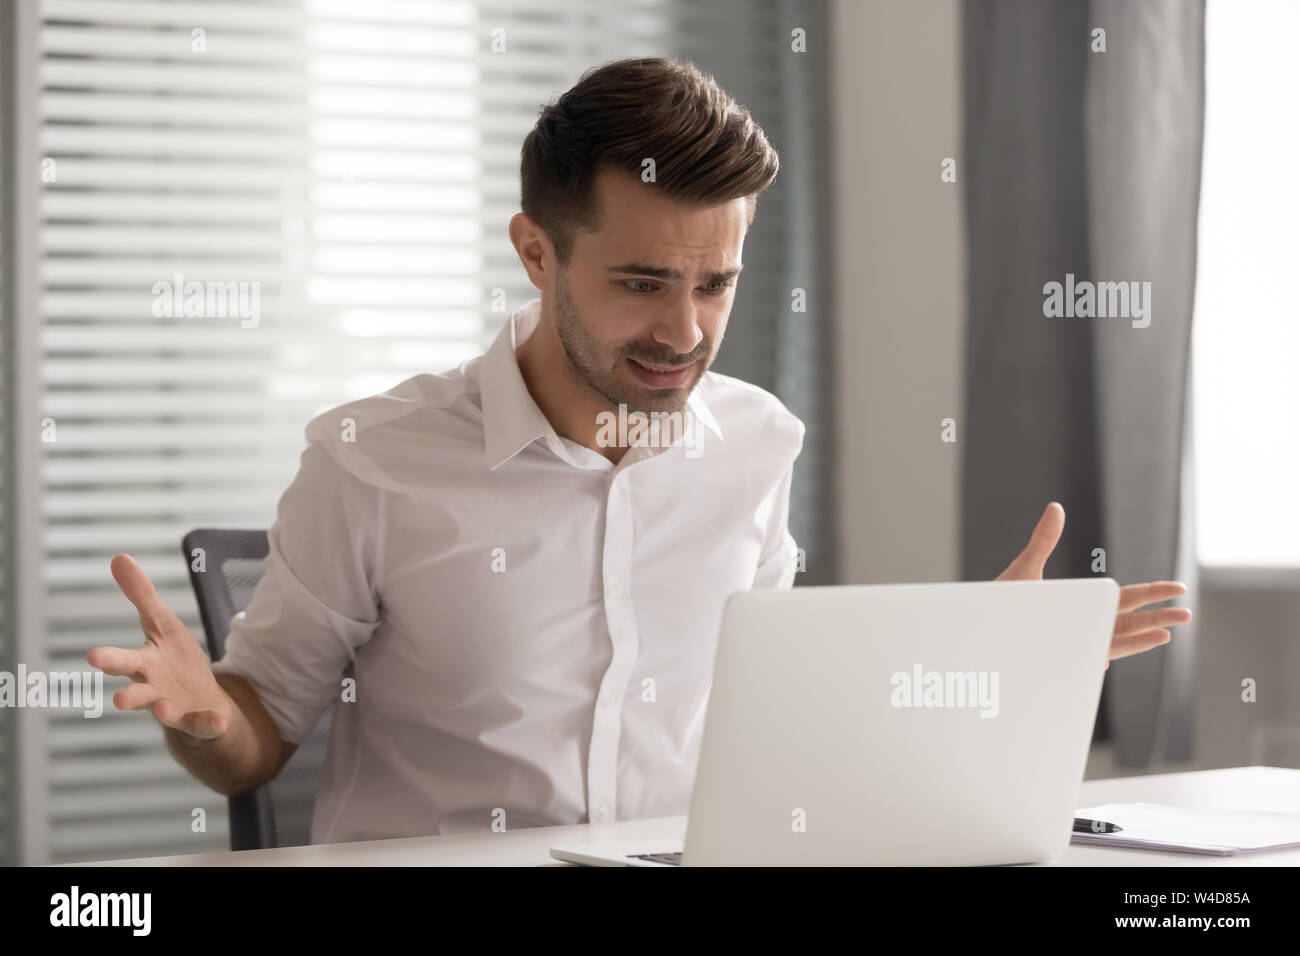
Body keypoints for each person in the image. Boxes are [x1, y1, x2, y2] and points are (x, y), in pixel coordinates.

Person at [87, 57, 1191, 844]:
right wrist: (208, 713)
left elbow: (777, 726)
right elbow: (260, 734)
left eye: (715, 284)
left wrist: (981, 666)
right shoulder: (371, 461)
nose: (685, 333)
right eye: (640, 282)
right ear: (535, 252)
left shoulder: (758, 443)